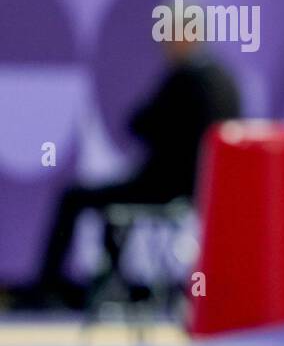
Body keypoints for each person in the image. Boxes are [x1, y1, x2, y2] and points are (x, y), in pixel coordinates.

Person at [18, 17, 241, 310]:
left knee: (76, 198)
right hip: (194, 188)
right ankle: (110, 286)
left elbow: (143, 123)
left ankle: (54, 291)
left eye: (170, 36)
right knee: (109, 208)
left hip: (165, 186)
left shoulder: (186, 79)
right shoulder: (224, 79)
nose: (164, 45)